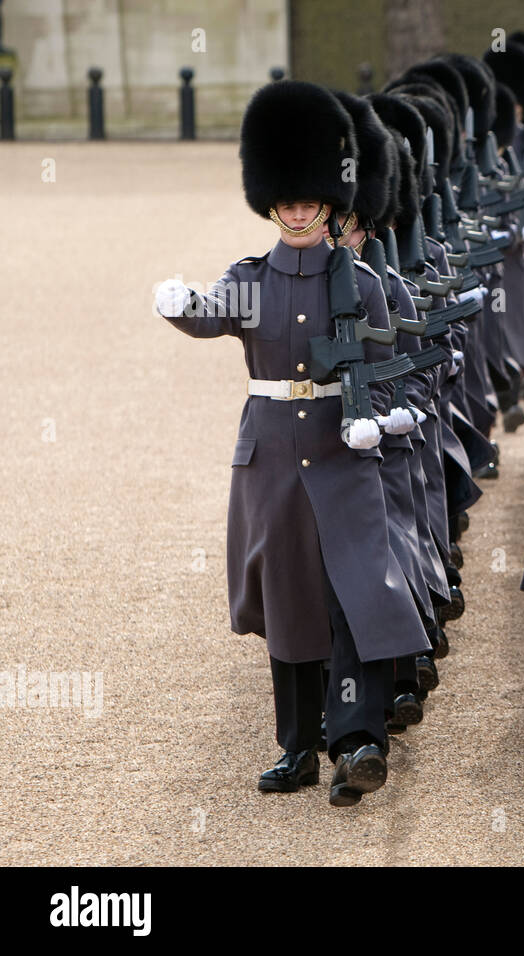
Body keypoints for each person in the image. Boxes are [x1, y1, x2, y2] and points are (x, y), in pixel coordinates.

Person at [154, 80, 431, 807]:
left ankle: (359, 737)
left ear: (329, 203)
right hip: (274, 460)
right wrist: (180, 304)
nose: (301, 210)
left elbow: (391, 364)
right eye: (289, 199)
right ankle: (297, 747)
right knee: (290, 604)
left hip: (343, 454)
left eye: (311, 199)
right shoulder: (252, 280)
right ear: (272, 202)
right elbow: (213, 313)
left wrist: (391, 417)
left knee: (357, 595)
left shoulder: (364, 285)